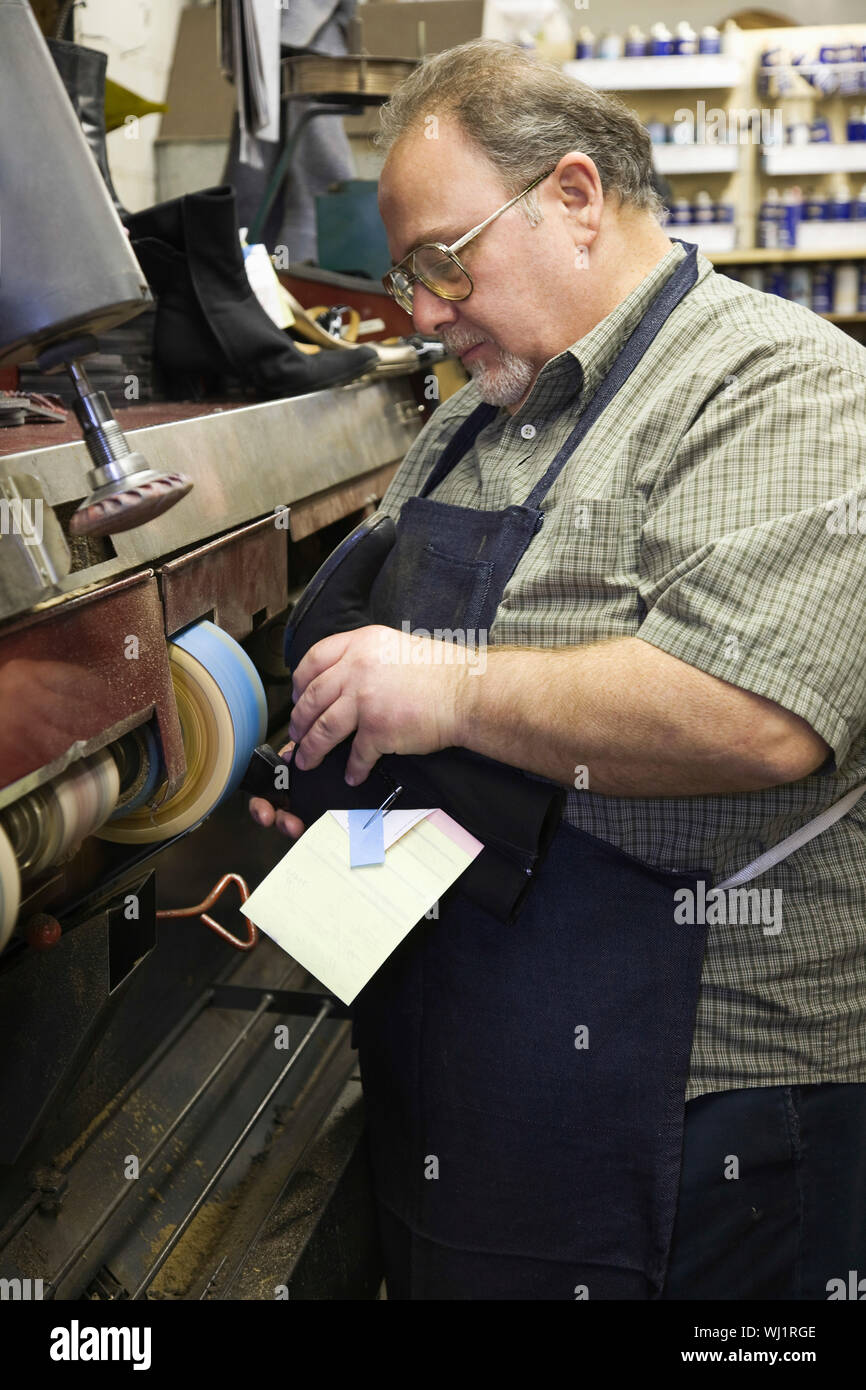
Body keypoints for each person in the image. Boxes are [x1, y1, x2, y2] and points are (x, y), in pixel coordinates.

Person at [250, 39, 866, 1300]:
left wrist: (447, 685)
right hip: (474, 1077)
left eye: (441, 261)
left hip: (707, 1113)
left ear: (573, 198)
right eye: (403, 273)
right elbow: (411, 703)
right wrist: (327, 797)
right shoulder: (475, 418)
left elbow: (755, 718)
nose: (420, 310)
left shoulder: (777, 385)